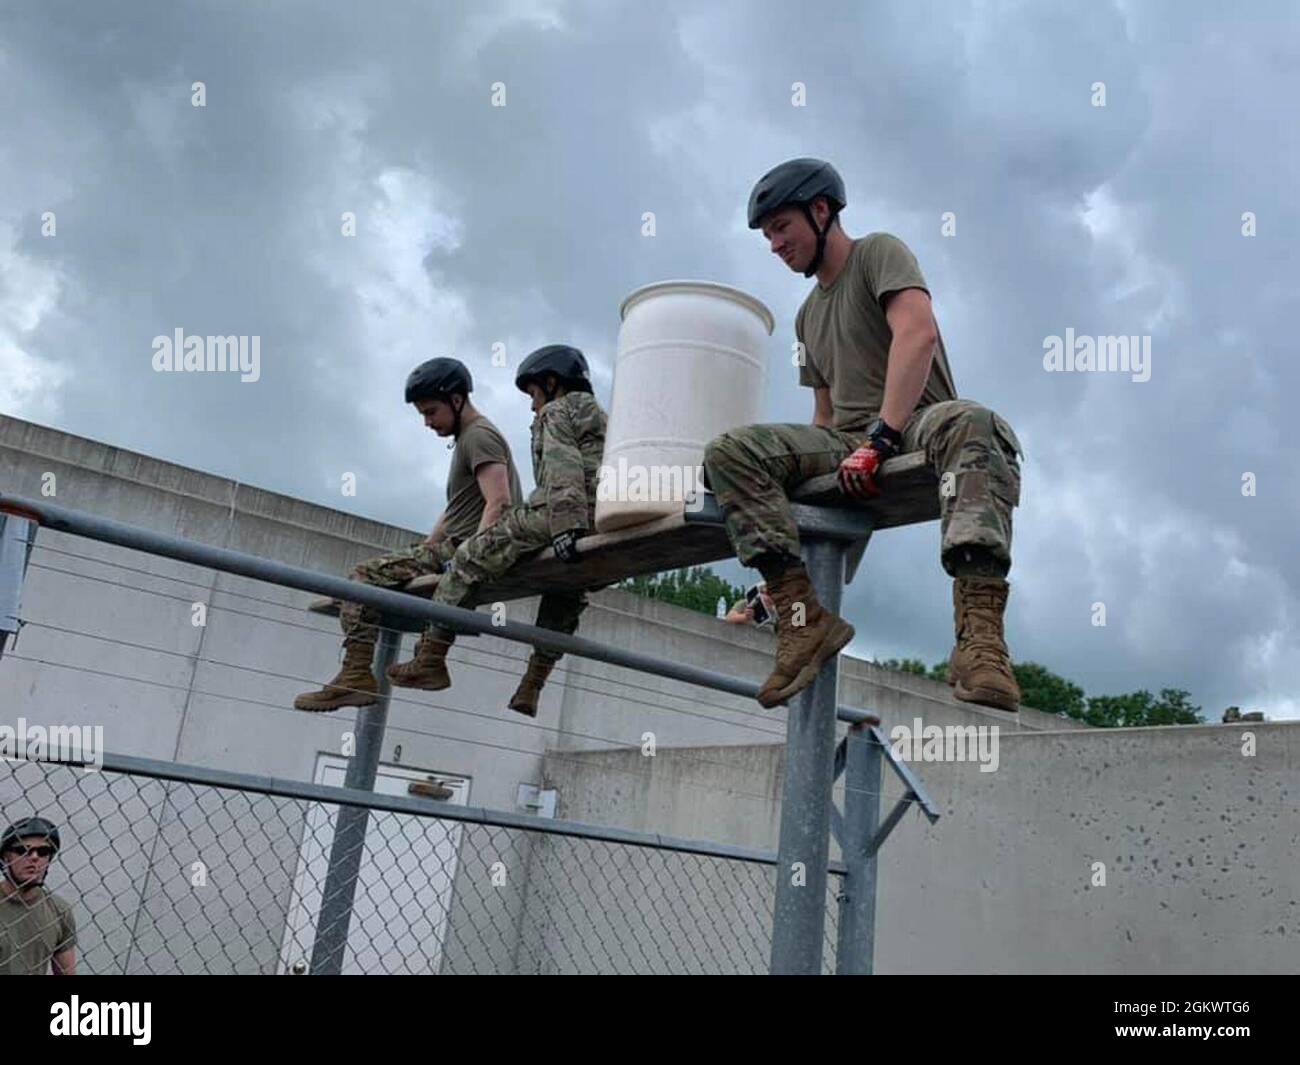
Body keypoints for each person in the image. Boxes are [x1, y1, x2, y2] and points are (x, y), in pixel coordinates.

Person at [703, 157, 1025, 712]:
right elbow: (823, 416)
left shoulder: (878, 253)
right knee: (729, 452)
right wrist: (795, 496)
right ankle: (798, 616)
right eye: (767, 235)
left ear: (821, 211)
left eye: (782, 227)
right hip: (847, 439)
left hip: (920, 425)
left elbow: (918, 334)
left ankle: (981, 644)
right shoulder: (807, 316)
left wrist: (881, 439)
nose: (774, 244)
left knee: (975, 419)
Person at [382, 344, 607, 718]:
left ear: (552, 383)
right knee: (566, 591)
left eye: (534, 394)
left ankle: (431, 657)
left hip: (557, 511)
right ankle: (531, 685)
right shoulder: (602, 416)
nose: (533, 405)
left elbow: (562, 466)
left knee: (469, 557)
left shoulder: (556, 411)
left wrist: (566, 526)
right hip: (600, 514)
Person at [294, 357, 522, 711]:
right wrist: (429, 545)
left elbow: (499, 503)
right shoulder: (468, 438)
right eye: (422, 414)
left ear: (457, 400)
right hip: (452, 546)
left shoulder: (479, 437)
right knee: (374, 581)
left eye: (431, 412)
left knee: (361, 578)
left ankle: (355, 676)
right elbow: (457, 507)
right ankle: (358, 674)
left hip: (465, 549)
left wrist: (466, 558)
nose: (427, 422)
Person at [0, 817, 76, 975]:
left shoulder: (59, 910)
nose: (34, 857)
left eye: (43, 852)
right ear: (5, 858)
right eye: (22, 850)